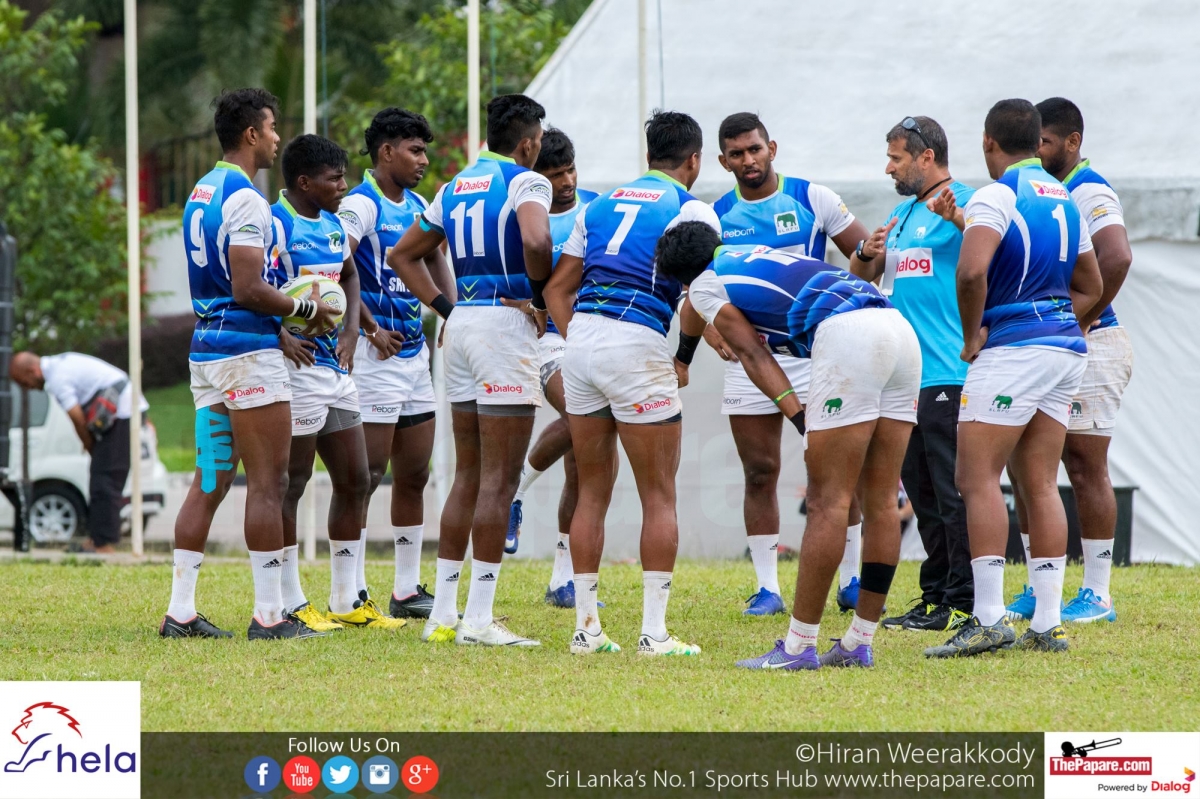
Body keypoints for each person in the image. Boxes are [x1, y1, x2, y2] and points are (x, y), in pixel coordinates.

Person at [656, 224, 920, 670]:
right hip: (898, 330)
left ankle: (798, 647)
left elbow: (753, 355)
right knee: (878, 501)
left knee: (826, 502)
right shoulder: (747, 251)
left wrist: (800, 417)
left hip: (852, 337)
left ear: (681, 278)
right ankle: (858, 641)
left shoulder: (703, 283)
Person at [925, 99, 1102, 659]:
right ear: (1037, 140)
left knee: (976, 480)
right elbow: (1092, 284)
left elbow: (972, 269)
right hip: (1065, 348)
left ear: (987, 143)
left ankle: (988, 618)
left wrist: (974, 334)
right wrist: (1055, 323)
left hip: (1014, 351)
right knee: (1041, 482)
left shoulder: (995, 194)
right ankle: (1047, 623)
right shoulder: (1066, 198)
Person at [161, 88, 339, 641]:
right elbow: (247, 286)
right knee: (269, 482)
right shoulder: (245, 199)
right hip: (245, 356)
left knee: (209, 482)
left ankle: (181, 612)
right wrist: (304, 308)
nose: (278, 136)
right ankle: (269, 615)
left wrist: (279, 325)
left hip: (208, 350)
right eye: (272, 126)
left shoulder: (201, 190)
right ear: (250, 135)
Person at [543, 109, 721, 657]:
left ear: (648, 157)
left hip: (582, 343)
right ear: (693, 161)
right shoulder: (693, 209)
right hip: (638, 344)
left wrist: (582, 341)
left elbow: (555, 290)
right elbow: (698, 297)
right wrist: (682, 355)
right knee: (658, 494)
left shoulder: (600, 204)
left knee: (592, 489)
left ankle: (586, 630)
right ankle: (654, 634)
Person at [390, 94, 553, 647]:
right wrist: (539, 298)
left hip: (459, 328)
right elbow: (535, 239)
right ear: (528, 142)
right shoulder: (527, 181)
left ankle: (442, 615)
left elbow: (403, 254)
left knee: (466, 473)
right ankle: (479, 619)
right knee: (500, 481)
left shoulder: (453, 185)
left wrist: (445, 309)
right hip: (505, 328)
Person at [710, 112, 873, 616]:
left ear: (772, 147)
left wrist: (865, 266)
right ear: (722, 160)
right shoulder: (714, 215)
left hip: (816, 356)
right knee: (759, 471)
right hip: (750, 360)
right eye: (736, 154)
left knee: (834, 471)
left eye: (755, 149)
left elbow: (864, 256)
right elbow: (694, 284)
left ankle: (851, 580)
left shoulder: (812, 199)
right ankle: (767, 587)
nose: (748, 160)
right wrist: (715, 328)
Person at [1003, 98, 1133, 625]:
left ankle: (1098, 594)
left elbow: (1118, 256)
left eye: (1046, 143)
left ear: (1072, 142)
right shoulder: (1044, 190)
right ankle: (1040, 587)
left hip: (1094, 339)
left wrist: (1082, 317)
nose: (1037, 151)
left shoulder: (1089, 187)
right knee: (1027, 464)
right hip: (1050, 343)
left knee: (1083, 465)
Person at [269, 134, 402, 632]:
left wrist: (353, 331)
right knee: (292, 483)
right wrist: (281, 335)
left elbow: (348, 274)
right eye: (334, 178)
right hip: (295, 373)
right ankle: (290, 600)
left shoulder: (330, 225)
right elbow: (255, 287)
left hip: (337, 371)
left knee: (358, 477)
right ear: (305, 182)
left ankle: (347, 599)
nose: (344, 186)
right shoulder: (275, 223)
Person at [849, 116, 976, 633]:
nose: (888, 168)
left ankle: (966, 599)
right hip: (904, 376)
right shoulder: (900, 213)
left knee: (952, 492)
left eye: (896, 158)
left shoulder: (967, 200)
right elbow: (863, 280)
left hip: (948, 370)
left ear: (927, 157)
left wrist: (963, 219)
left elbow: (998, 254)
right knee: (921, 495)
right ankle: (934, 594)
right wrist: (865, 253)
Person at [338, 108, 451, 621]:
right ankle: (354, 590)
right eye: (415, 150)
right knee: (368, 473)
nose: (424, 160)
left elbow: (435, 260)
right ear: (386, 153)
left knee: (415, 472)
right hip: (374, 356)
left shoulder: (421, 203)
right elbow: (337, 266)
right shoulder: (359, 205)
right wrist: (366, 328)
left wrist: (454, 314)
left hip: (413, 357)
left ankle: (406, 589)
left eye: (424, 150)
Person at [504, 127, 600, 608]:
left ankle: (563, 579)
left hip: (598, 340)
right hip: (549, 342)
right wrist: (521, 299)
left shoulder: (598, 209)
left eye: (570, 171)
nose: (565, 182)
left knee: (583, 457)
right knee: (585, 413)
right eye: (554, 173)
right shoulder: (526, 217)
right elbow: (508, 276)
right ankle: (513, 491)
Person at [10, 352, 148, 554]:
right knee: (100, 478)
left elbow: (76, 418)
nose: (28, 388)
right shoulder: (59, 365)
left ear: (33, 371)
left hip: (123, 412)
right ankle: (98, 540)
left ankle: (103, 545)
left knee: (105, 480)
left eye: (25, 382)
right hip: (122, 407)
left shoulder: (57, 378)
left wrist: (90, 445)